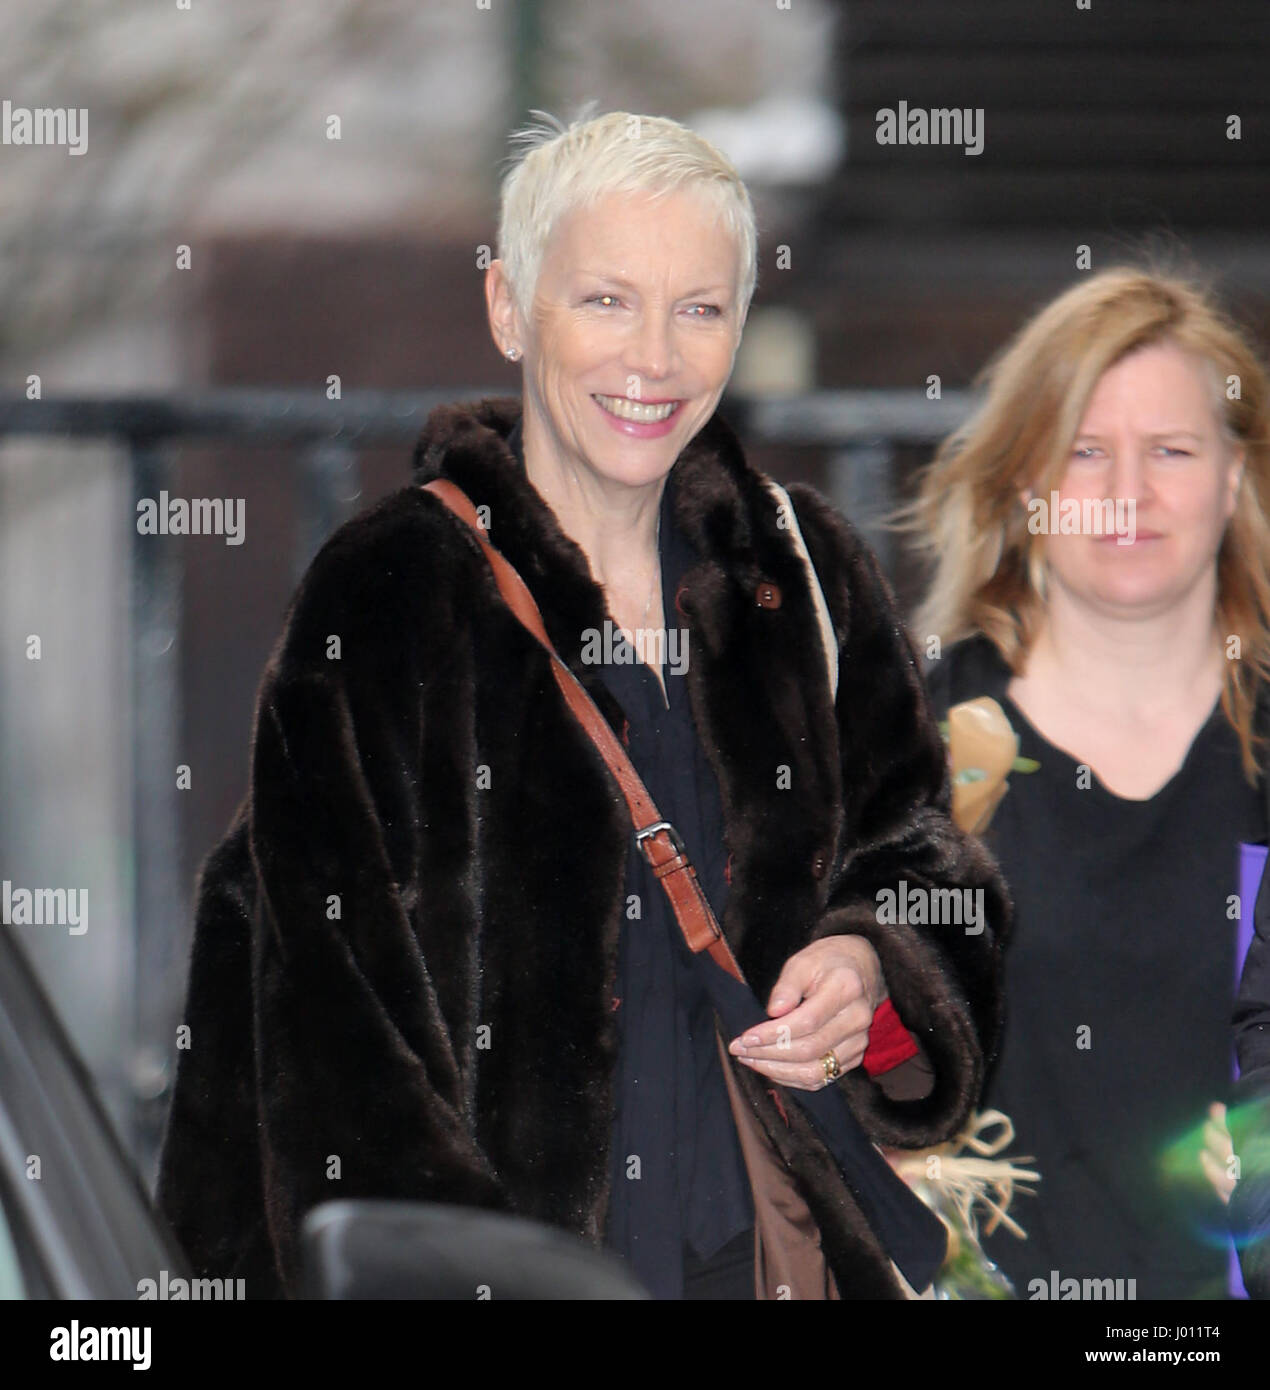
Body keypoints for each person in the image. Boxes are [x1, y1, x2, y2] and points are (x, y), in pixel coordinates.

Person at [155, 108, 1007, 1301]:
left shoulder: (802, 571)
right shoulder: (395, 593)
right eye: (605, 300)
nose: (652, 358)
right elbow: (337, 1037)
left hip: (762, 1260)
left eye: (698, 309)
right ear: (509, 306)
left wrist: (869, 966)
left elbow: (923, 858)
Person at [912, 268, 1270, 1298]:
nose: (1129, 492)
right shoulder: (909, 753)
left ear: (1233, 480)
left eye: (1171, 451)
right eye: (1084, 452)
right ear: (1023, 484)